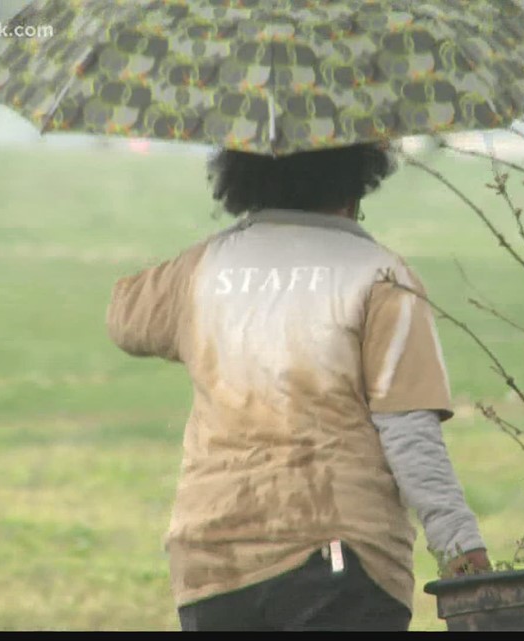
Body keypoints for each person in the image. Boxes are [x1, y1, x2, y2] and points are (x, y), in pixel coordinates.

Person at [105, 142, 491, 631]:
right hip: (338, 558)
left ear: (242, 178)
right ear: (355, 186)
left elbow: (125, 320)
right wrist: (459, 545)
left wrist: (239, 239)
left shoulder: (202, 268)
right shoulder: (381, 276)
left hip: (211, 562)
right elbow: (409, 433)